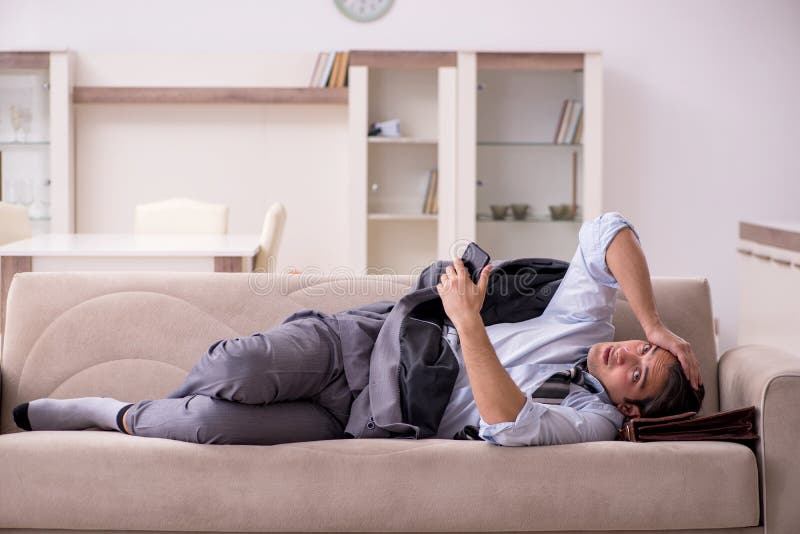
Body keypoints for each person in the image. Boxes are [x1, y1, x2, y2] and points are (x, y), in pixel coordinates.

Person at [13, 212, 704, 446]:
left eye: (636, 370)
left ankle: (110, 415)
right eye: (640, 349)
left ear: (628, 407)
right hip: (365, 343)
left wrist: (468, 320)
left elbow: (512, 427)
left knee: (208, 430)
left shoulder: (591, 422)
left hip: (374, 422)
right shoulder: (582, 320)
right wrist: (657, 324)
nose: (625, 352)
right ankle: (148, 405)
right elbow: (607, 227)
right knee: (235, 374)